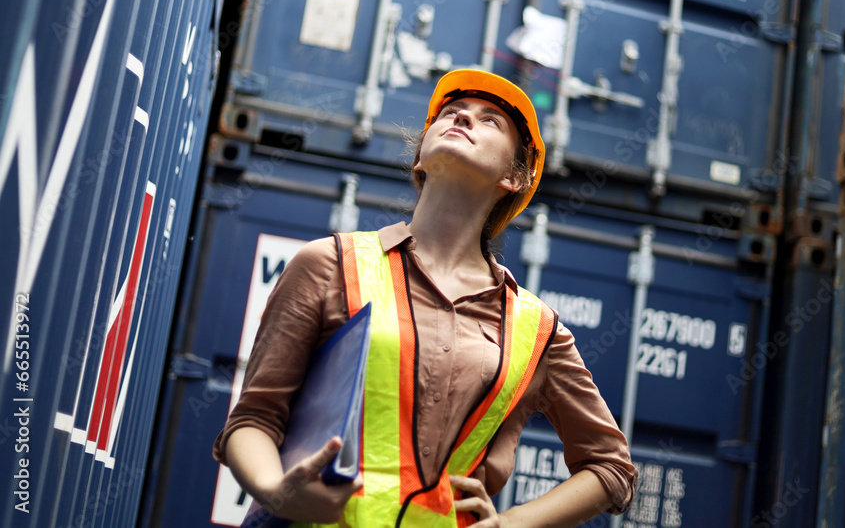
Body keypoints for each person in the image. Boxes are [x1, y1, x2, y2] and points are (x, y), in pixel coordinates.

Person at [213, 69, 636, 527]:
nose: (463, 119)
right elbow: (252, 419)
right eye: (452, 113)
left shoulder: (536, 329)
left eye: (490, 120)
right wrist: (278, 492)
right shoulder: (330, 263)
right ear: (420, 160)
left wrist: (512, 523)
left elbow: (612, 469)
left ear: (514, 177)